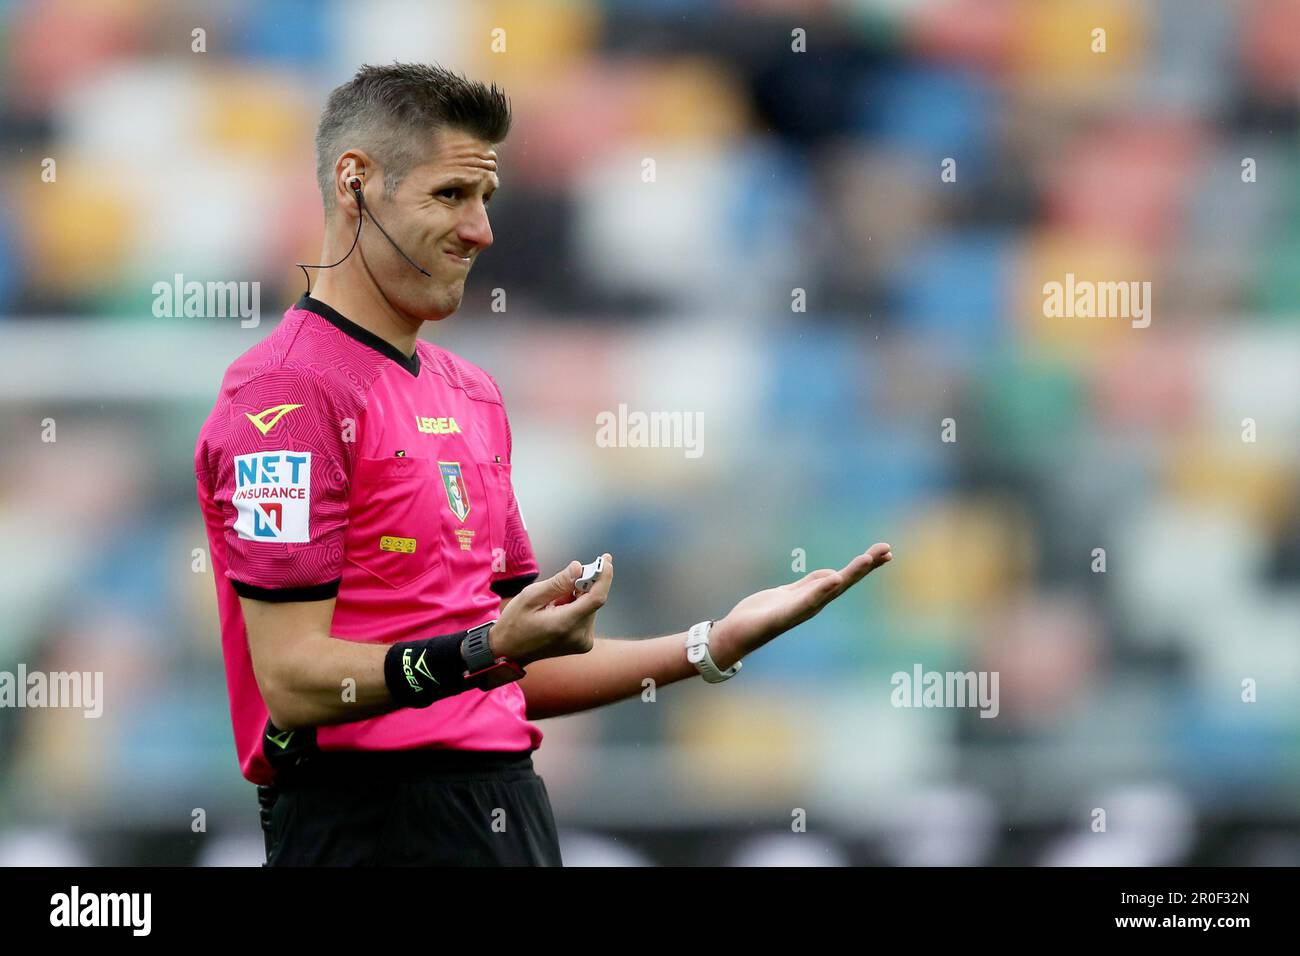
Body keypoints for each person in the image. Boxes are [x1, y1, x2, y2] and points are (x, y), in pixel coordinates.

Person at [194, 62, 893, 866]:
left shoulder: (474, 394)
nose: (481, 230)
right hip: (369, 826)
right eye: (452, 195)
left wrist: (711, 644)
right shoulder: (286, 395)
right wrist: (485, 647)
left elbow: (514, 663)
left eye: (486, 199)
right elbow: (293, 678)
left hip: (508, 812)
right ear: (355, 184)